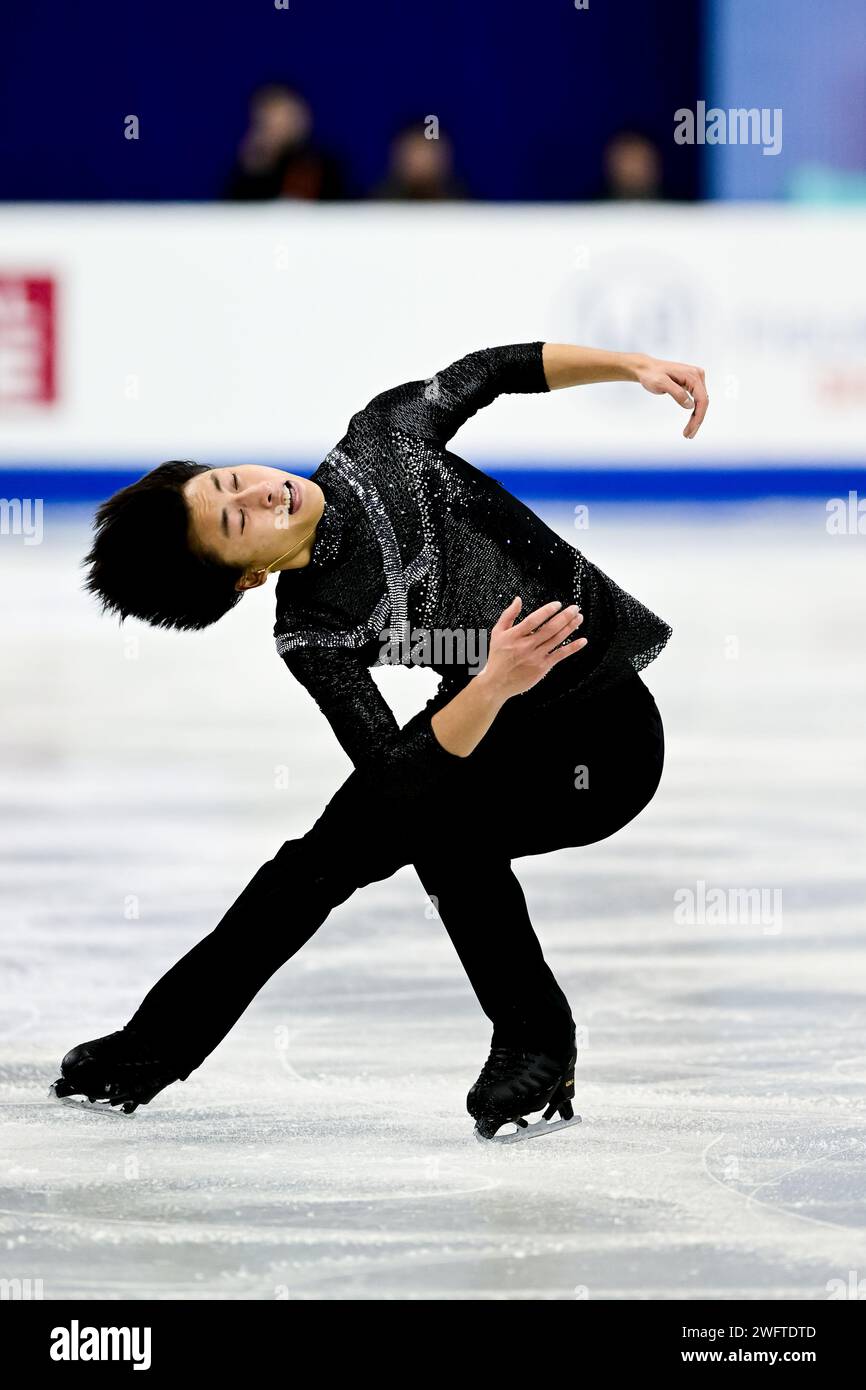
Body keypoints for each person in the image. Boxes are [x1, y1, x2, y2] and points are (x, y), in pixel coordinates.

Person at [51, 342, 708, 1141]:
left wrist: (630, 365)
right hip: (486, 721)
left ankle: (535, 1034)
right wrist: (495, 681)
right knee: (324, 861)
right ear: (246, 578)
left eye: (232, 479)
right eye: (236, 519)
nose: (261, 492)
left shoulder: (383, 439)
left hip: (605, 743)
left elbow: (493, 370)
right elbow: (398, 776)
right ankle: (154, 1048)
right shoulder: (312, 631)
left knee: (443, 823)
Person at [224, 83, 346, 201]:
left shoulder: (325, 165)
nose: (278, 126)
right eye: (269, 120)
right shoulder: (251, 169)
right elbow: (232, 212)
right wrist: (254, 172)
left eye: (283, 117)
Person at [371, 121, 467, 201]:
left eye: (429, 150)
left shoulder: (464, 209)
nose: (421, 160)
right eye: (415, 150)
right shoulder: (375, 209)